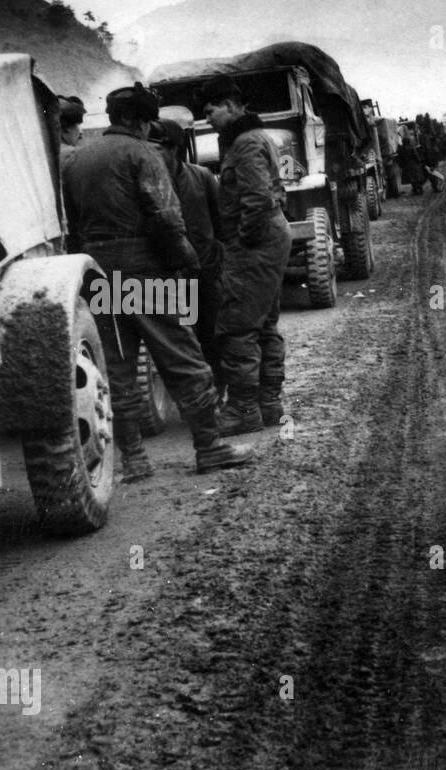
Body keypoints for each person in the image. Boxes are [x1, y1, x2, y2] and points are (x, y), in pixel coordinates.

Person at [62, 84, 253, 480]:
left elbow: (73, 227)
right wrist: (186, 262)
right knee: (183, 356)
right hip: (146, 269)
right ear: (138, 120)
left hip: (99, 273)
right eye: (148, 121)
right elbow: (167, 218)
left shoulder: (77, 161)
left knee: (117, 367)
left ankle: (134, 460)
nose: (151, 128)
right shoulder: (143, 154)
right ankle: (210, 446)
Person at [200, 76, 293, 435]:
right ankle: (268, 404)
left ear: (230, 106)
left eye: (211, 111)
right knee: (264, 324)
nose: (208, 119)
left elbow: (256, 198)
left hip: (257, 241)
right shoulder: (251, 139)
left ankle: (242, 409)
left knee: (237, 325)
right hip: (269, 236)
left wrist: (241, 241)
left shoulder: (244, 144)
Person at [151, 118, 226, 395]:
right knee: (182, 341)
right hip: (170, 277)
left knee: (213, 335)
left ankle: (219, 388)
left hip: (205, 273)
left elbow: (220, 225)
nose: (151, 154)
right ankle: (195, 397)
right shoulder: (147, 182)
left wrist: (218, 259)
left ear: (173, 149)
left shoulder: (202, 177)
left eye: (157, 148)